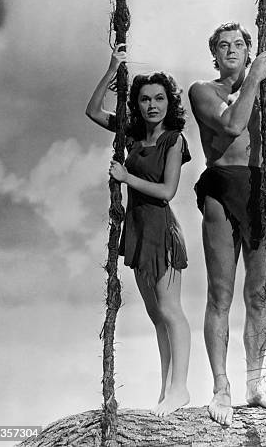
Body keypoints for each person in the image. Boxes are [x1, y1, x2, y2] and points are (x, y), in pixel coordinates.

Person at [188, 0, 266, 427]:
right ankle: (221, 386)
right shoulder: (203, 91)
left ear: (248, 48)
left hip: (263, 185)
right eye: (225, 46)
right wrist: (256, 79)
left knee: (258, 295)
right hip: (223, 185)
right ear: (215, 54)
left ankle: (255, 380)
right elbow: (234, 127)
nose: (233, 51)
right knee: (220, 294)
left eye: (240, 44)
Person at [86, 44, 191, 416]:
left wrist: (126, 176)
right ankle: (167, 390)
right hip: (136, 229)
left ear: (169, 103)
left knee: (170, 309)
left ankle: (180, 388)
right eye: (145, 99)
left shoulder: (174, 139)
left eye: (159, 99)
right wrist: (112, 65)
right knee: (155, 314)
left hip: (160, 228)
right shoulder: (131, 135)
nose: (152, 106)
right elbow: (93, 110)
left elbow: (167, 191)